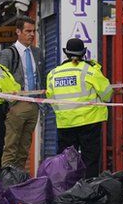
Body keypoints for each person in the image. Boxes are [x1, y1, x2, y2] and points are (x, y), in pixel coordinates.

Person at [45, 37, 113, 178]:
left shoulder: (54, 73)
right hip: (89, 121)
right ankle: (88, 189)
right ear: (83, 53)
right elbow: (107, 93)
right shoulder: (90, 71)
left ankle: (68, 190)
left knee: (67, 160)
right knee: (90, 158)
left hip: (65, 123)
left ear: (67, 54)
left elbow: (50, 98)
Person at [0, 16, 42, 169]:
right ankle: (7, 178)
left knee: (24, 149)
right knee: (11, 146)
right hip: (16, 105)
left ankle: (19, 181)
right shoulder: (8, 54)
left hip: (33, 104)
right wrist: (11, 103)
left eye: (33, 31)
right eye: (28, 31)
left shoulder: (37, 53)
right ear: (18, 32)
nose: (31, 34)